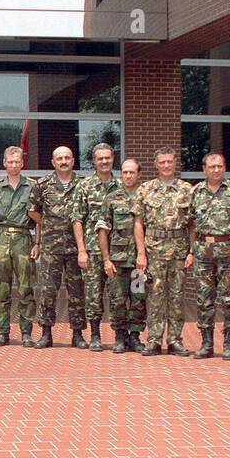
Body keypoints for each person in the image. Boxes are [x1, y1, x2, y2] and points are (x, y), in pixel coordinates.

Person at [134, 147, 194, 356]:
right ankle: (154, 340)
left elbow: (192, 224)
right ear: (156, 164)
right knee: (154, 296)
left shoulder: (187, 190)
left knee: (177, 297)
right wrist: (141, 253)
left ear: (175, 163)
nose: (166, 166)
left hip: (178, 249)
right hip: (154, 251)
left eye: (170, 161)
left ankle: (175, 340)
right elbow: (138, 223)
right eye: (162, 162)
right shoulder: (146, 190)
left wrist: (192, 251)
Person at [190, 152, 230, 360]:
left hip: (229, 249)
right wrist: (190, 250)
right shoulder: (195, 192)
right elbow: (190, 224)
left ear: (224, 168)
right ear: (204, 169)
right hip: (203, 251)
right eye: (212, 167)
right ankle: (206, 343)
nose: (216, 170)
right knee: (204, 298)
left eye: (220, 166)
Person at [28, 145, 85, 347]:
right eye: (59, 158)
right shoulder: (43, 184)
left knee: (77, 292)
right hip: (51, 247)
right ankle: (46, 333)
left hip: (75, 248)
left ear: (73, 160)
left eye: (67, 157)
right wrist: (49, 224)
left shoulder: (83, 185)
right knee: (48, 291)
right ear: (53, 162)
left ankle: (78, 334)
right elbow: (32, 211)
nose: (63, 161)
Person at [70, 142, 120, 351]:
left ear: (113, 159)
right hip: (92, 250)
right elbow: (77, 219)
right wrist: (81, 250)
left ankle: (120, 336)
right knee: (93, 295)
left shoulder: (122, 186)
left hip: (119, 250)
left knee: (118, 295)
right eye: (100, 158)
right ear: (94, 161)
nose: (104, 161)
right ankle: (96, 335)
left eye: (107, 157)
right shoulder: (85, 186)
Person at [0, 145, 36, 346]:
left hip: (23, 238)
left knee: (26, 288)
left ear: (22, 163)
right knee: (1, 289)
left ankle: (26, 332)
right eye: (10, 161)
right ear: (4, 163)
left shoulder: (32, 187)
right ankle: (3, 332)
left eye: (17, 161)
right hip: (2, 239)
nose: (14, 165)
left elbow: (39, 217)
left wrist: (38, 243)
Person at [95, 158, 146, 353]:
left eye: (132, 172)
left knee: (138, 297)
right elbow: (102, 229)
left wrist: (144, 256)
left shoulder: (146, 197)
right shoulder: (112, 198)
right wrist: (106, 259)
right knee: (117, 299)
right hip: (118, 260)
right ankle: (119, 336)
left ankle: (135, 336)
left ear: (139, 174)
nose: (128, 175)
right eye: (125, 172)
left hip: (140, 262)